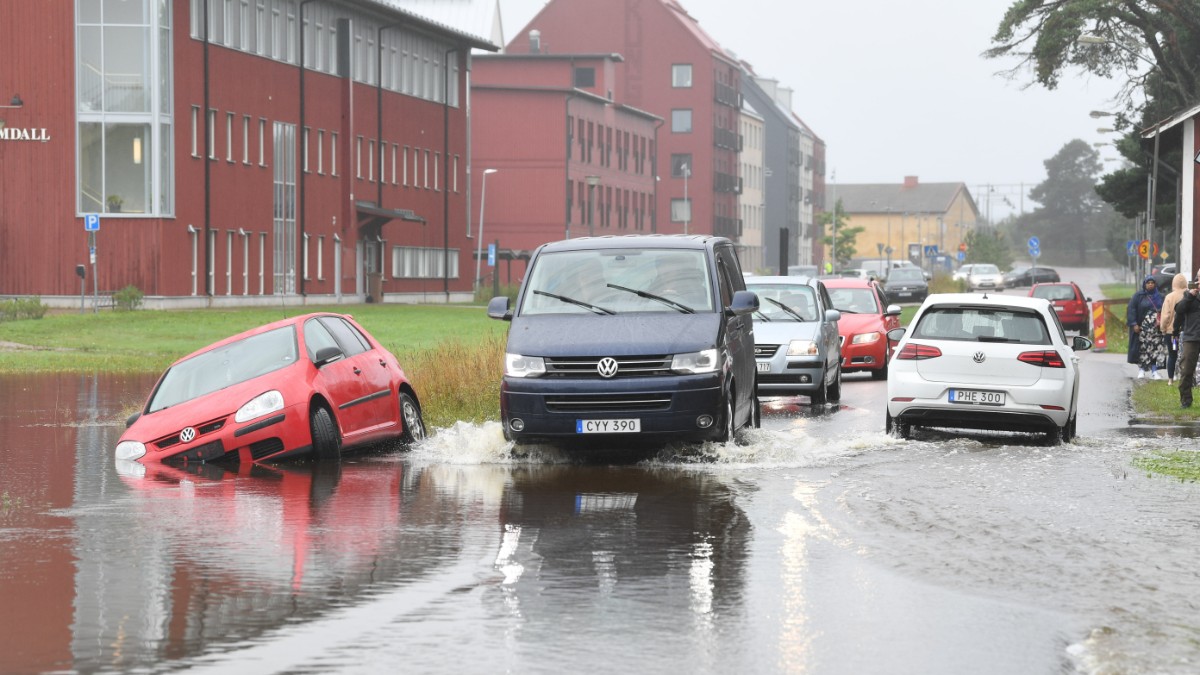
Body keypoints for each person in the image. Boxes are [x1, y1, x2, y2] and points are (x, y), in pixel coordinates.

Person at [1127, 275, 1166, 379]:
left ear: (1155, 284)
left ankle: (1154, 371)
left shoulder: (1160, 297)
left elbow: (1166, 310)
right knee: (1143, 348)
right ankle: (1141, 370)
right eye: (1148, 283)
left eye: (1152, 283)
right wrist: (1134, 324)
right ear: (1144, 284)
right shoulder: (1138, 296)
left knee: (1155, 349)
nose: (1150, 285)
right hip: (1143, 329)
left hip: (1156, 329)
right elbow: (1131, 309)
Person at [1172, 271, 1200, 407]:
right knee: (1187, 369)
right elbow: (1179, 310)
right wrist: (1190, 296)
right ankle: (1186, 400)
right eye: (1199, 278)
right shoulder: (1189, 294)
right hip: (1192, 336)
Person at [1159, 272, 1189, 384]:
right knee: (1185, 355)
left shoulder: (1169, 297)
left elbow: (1165, 316)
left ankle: (1170, 379)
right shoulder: (1189, 295)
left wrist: (1163, 329)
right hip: (1187, 332)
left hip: (1172, 333)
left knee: (1173, 355)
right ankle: (1183, 377)